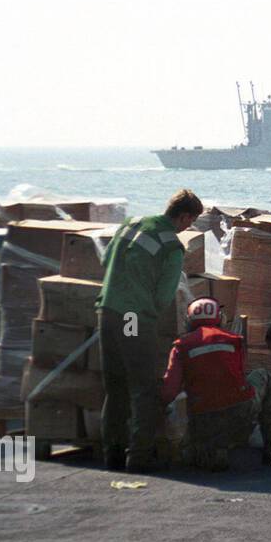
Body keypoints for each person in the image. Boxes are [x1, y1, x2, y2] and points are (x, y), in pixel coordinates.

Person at [97, 188, 204, 472]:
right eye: (190, 222)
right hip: (134, 319)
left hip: (106, 311)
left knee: (115, 387)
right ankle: (138, 458)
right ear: (183, 216)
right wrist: (150, 316)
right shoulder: (171, 246)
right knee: (143, 388)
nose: (188, 228)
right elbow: (164, 294)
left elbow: (105, 261)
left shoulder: (130, 224)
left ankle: (113, 456)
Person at [160, 297, 271, 471]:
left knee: (196, 459)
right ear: (220, 318)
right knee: (265, 376)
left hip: (204, 419)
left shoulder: (181, 346)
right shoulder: (234, 339)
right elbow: (239, 376)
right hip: (241, 412)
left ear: (189, 321)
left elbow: (169, 392)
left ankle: (215, 450)